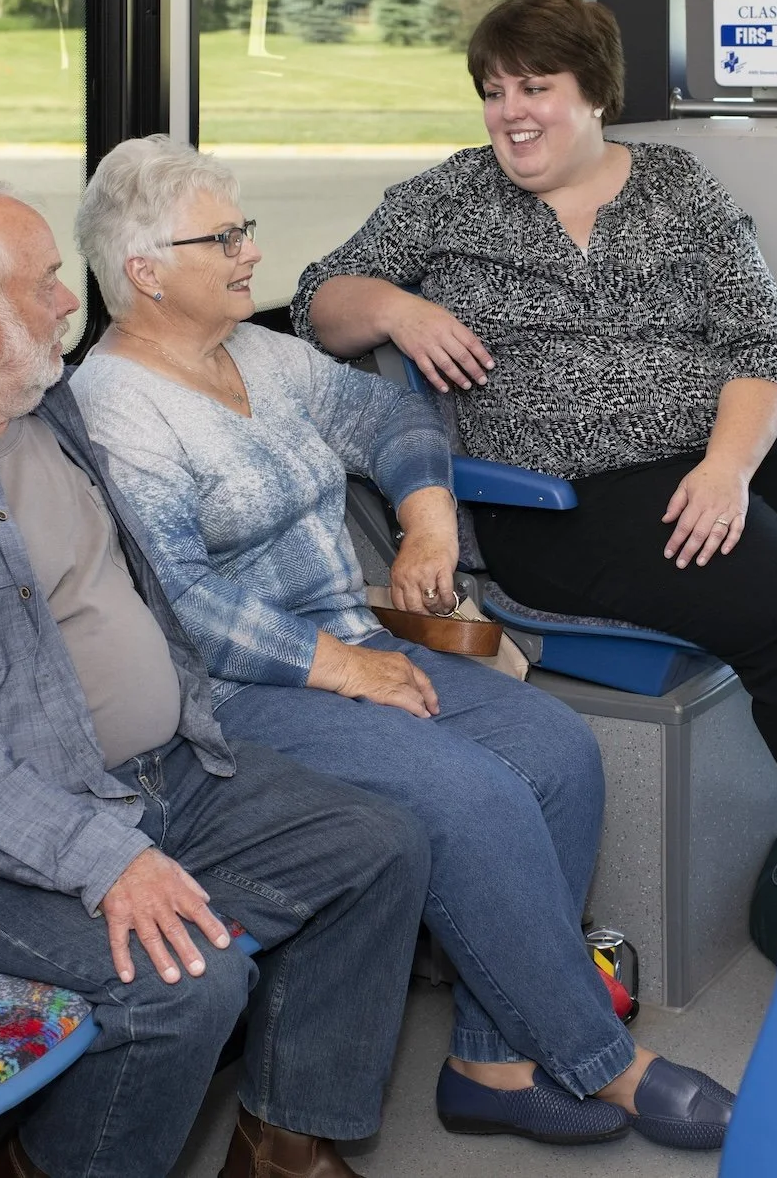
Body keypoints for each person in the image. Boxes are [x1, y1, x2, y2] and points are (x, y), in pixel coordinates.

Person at [290, 0, 777, 956]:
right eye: (494, 91)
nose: (510, 113)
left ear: (594, 92)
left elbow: (763, 350)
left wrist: (728, 469)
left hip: (730, 450)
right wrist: (397, 308)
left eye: (535, 87)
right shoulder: (448, 197)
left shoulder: (677, 186)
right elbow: (318, 298)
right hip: (565, 499)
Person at [71, 134, 737, 1154]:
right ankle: (603, 1060)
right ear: (145, 271)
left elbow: (391, 415)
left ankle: (489, 1064)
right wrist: (346, 670)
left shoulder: (258, 355)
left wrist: (428, 524)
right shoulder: (115, 408)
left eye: (246, 230)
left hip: (349, 639)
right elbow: (183, 602)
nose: (253, 252)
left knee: (558, 751)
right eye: (226, 238)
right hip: (236, 691)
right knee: (472, 794)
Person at [0, 183, 433, 1178]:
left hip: (160, 774)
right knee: (184, 986)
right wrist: (107, 859)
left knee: (379, 846)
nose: (70, 302)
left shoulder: (46, 410)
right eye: (45, 284)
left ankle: (284, 1151)